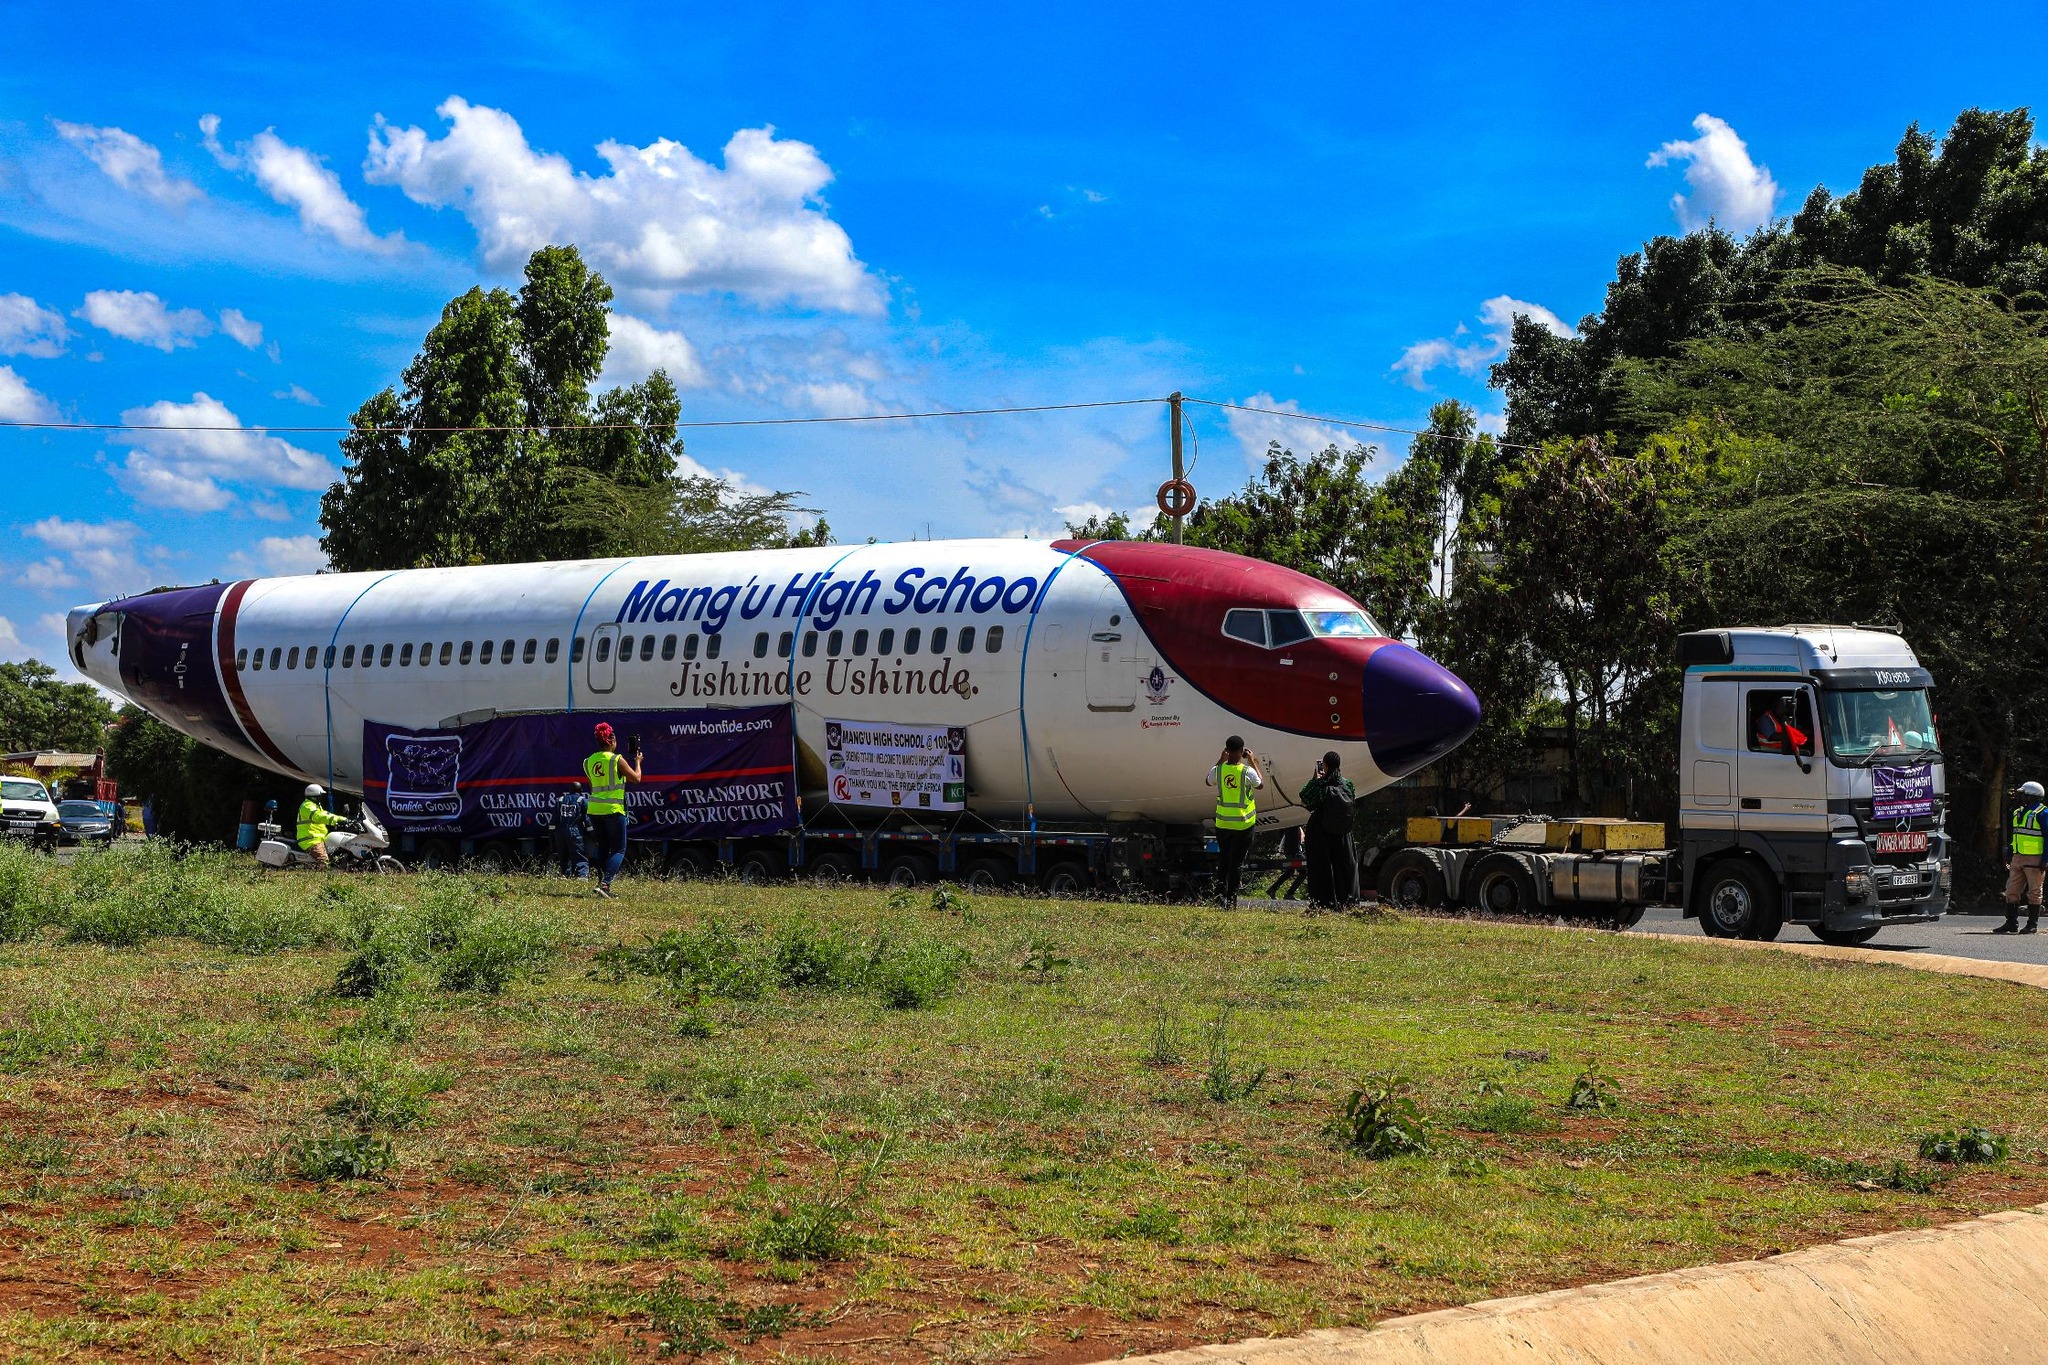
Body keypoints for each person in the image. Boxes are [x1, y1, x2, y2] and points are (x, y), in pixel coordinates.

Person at [583, 722, 643, 898]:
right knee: (618, 849)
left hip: (594, 810)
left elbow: (592, 786)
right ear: (612, 740)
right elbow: (636, 779)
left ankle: (600, 884)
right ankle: (605, 885)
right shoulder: (617, 759)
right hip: (613, 810)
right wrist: (638, 762)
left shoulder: (588, 762)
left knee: (603, 847)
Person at [1204, 736, 1262, 907]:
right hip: (1243, 824)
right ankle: (1231, 902)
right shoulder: (1247, 771)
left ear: (1226, 750)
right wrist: (1253, 761)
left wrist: (1221, 759)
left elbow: (1208, 780)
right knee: (1236, 864)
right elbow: (1260, 784)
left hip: (1223, 824)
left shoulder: (1219, 770)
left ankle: (1218, 899)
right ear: (1242, 751)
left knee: (1223, 861)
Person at [1299, 752, 1359, 909]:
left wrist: (1315, 778)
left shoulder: (1320, 785)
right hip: (1343, 833)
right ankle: (1347, 902)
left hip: (1321, 832)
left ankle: (1323, 903)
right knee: (1344, 868)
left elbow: (1304, 798)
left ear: (1324, 765)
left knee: (1321, 868)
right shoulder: (1348, 784)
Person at [1998, 780, 2048, 935]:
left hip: (2035, 859)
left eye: (2024, 794)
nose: (2021, 797)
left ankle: (2032, 924)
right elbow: (2015, 835)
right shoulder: (2017, 812)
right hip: (2018, 857)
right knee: (2011, 890)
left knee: (2034, 892)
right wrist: (2010, 854)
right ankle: (2011, 923)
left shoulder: (2042, 813)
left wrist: (2045, 859)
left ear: (2032, 796)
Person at [553, 780, 590, 880]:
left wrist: (551, 835)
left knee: (563, 855)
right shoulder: (582, 800)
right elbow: (587, 820)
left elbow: (554, 819)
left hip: (560, 832)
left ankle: (565, 875)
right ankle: (582, 877)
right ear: (581, 790)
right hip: (575, 831)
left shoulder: (560, 800)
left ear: (569, 790)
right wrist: (592, 835)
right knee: (579, 854)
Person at [296, 783, 332, 870]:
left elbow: (326, 815)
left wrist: (343, 819)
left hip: (318, 838)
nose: (321, 798)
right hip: (310, 840)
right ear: (315, 796)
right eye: (320, 796)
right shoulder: (307, 806)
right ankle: (322, 876)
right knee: (323, 860)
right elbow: (320, 817)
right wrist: (339, 820)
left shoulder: (316, 806)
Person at [1266, 825, 1307, 900]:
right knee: (1305, 870)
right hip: (1294, 851)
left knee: (1290, 871)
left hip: (1291, 850)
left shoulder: (1288, 824)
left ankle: (1273, 889)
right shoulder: (1293, 823)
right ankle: (1289, 893)